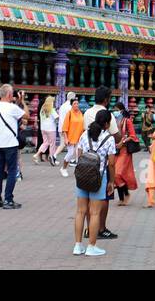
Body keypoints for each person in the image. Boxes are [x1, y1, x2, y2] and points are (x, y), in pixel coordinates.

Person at [72, 107, 117, 257]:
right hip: (99, 177)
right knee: (95, 212)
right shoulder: (109, 139)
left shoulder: (85, 135)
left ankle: (78, 246)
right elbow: (111, 163)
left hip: (82, 176)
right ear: (107, 124)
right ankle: (91, 246)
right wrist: (112, 181)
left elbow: (79, 155)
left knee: (80, 212)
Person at [0, 84, 25, 209]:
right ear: (10, 95)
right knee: (12, 171)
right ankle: (8, 199)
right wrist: (22, 101)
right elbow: (25, 115)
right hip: (10, 143)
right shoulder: (12, 107)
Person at [113, 103, 139, 205]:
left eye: (115, 109)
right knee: (114, 174)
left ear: (121, 110)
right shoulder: (113, 121)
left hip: (124, 151)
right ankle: (121, 198)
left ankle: (126, 194)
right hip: (115, 150)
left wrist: (122, 142)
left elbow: (132, 136)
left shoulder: (127, 121)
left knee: (118, 173)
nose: (114, 111)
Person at [59, 94, 85, 177]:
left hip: (79, 138)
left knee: (79, 155)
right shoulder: (69, 114)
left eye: (77, 104)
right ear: (71, 105)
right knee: (70, 154)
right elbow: (64, 128)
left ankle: (77, 171)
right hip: (70, 137)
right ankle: (63, 168)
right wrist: (66, 138)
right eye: (74, 104)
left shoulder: (81, 113)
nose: (76, 105)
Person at [34, 95, 59, 165]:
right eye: (53, 102)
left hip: (43, 128)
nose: (53, 103)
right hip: (51, 129)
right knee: (52, 144)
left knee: (45, 143)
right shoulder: (51, 109)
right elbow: (57, 118)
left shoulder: (42, 109)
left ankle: (37, 155)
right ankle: (52, 158)